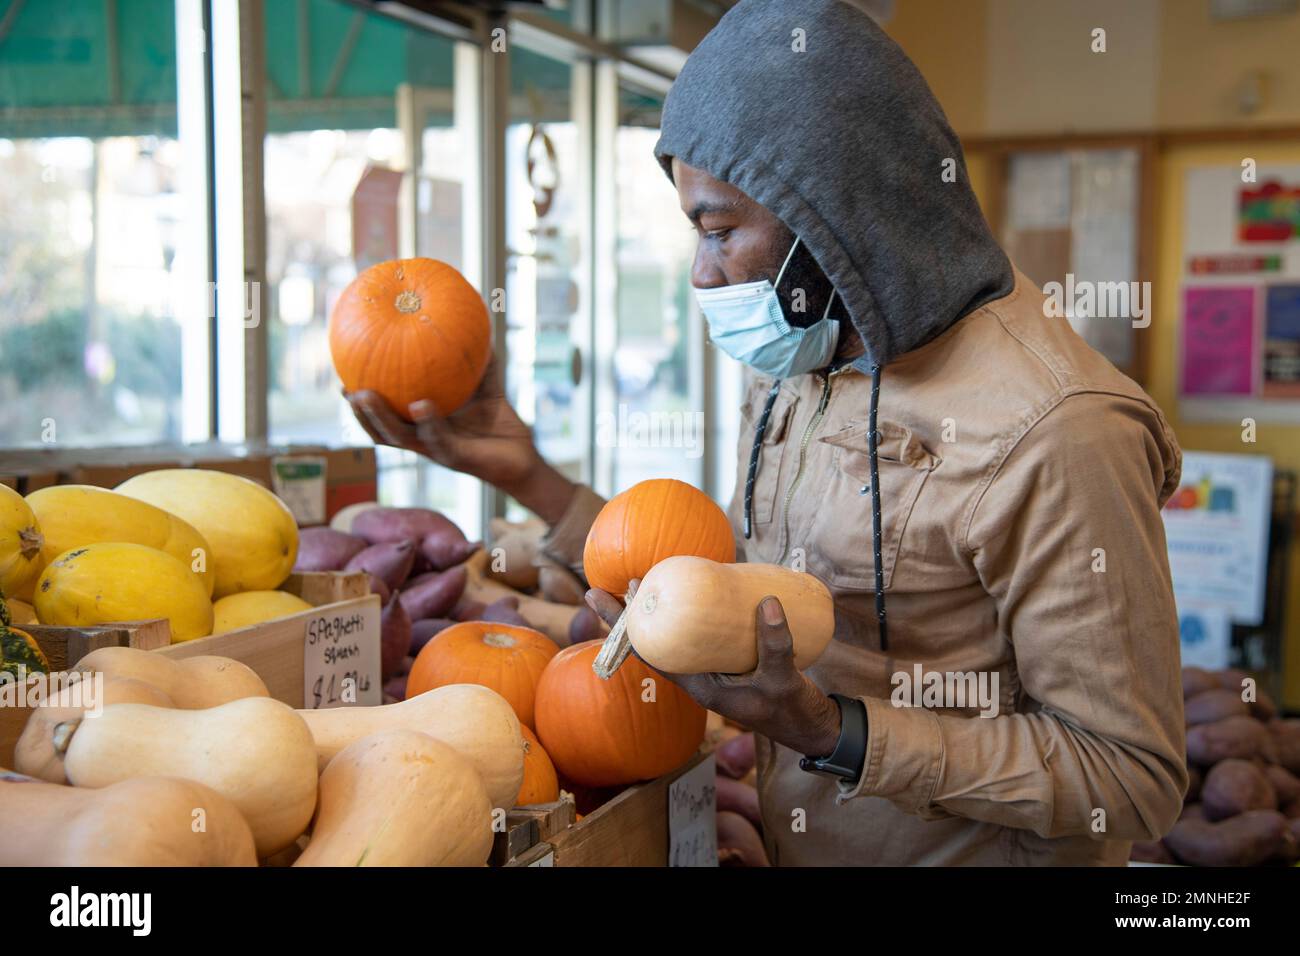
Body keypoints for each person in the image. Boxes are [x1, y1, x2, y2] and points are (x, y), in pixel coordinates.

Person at [349, 0, 1186, 866]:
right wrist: (529, 476)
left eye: (719, 232)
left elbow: (1130, 776)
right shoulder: (810, 346)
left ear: (835, 216)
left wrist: (834, 731)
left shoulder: (1062, 431)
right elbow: (723, 577)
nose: (703, 274)